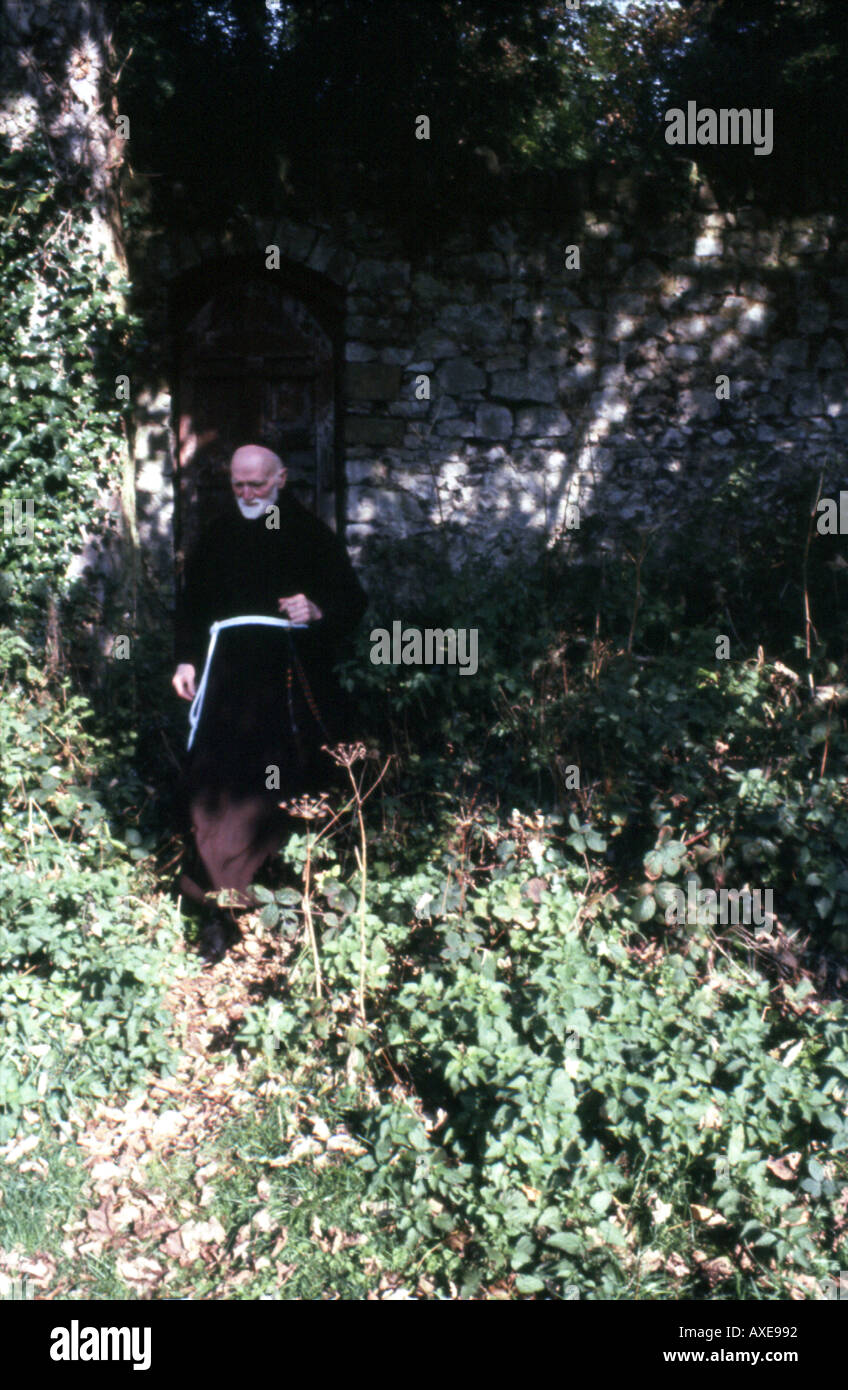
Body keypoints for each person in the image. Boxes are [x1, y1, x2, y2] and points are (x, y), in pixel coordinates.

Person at [172, 443, 367, 956]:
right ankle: (217, 910)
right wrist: (187, 660)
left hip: (286, 677)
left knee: (283, 783)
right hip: (225, 677)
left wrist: (315, 608)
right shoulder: (216, 537)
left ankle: (282, 899)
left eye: (257, 483)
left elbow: (351, 599)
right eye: (238, 484)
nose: (247, 493)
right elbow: (191, 607)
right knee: (211, 783)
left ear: (280, 478)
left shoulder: (306, 534)